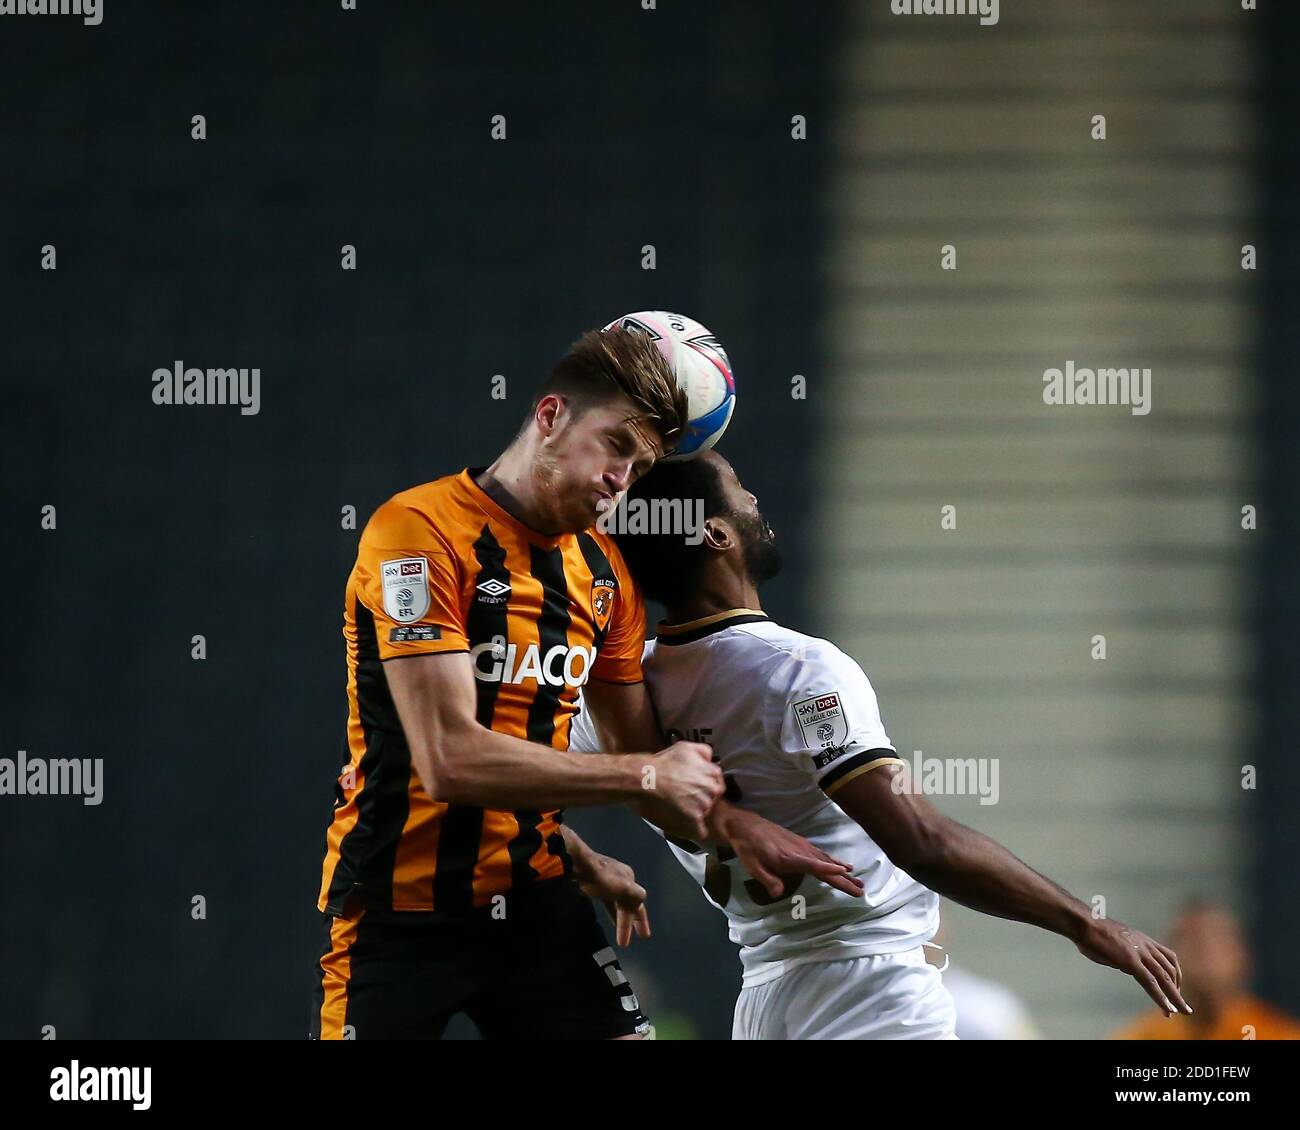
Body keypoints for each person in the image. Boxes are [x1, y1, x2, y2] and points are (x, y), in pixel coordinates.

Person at [311, 326, 859, 1040]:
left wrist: (731, 825)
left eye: (639, 467)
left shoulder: (604, 579)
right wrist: (644, 778)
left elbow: (644, 756)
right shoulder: (417, 533)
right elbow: (450, 759)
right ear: (550, 417)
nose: (620, 479)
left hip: (535, 903)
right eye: (616, 446)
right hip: (397, 907)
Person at [570, 451, 1191, 1039]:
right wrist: (1086, 924)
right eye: (740, 492)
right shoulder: (797, 670)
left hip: (764, 1002)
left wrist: (579, 856)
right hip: (871, 994)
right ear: (716, 536)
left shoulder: (623, 700)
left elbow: (497, 774)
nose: (755, 500)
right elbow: (922, 841)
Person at [1112, 899, 1300, 1040]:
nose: (1202, 951)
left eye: (1215, 940)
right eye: (1186, 940)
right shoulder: (1141, 1037)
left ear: (1243, 955)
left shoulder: (1280, 1035)